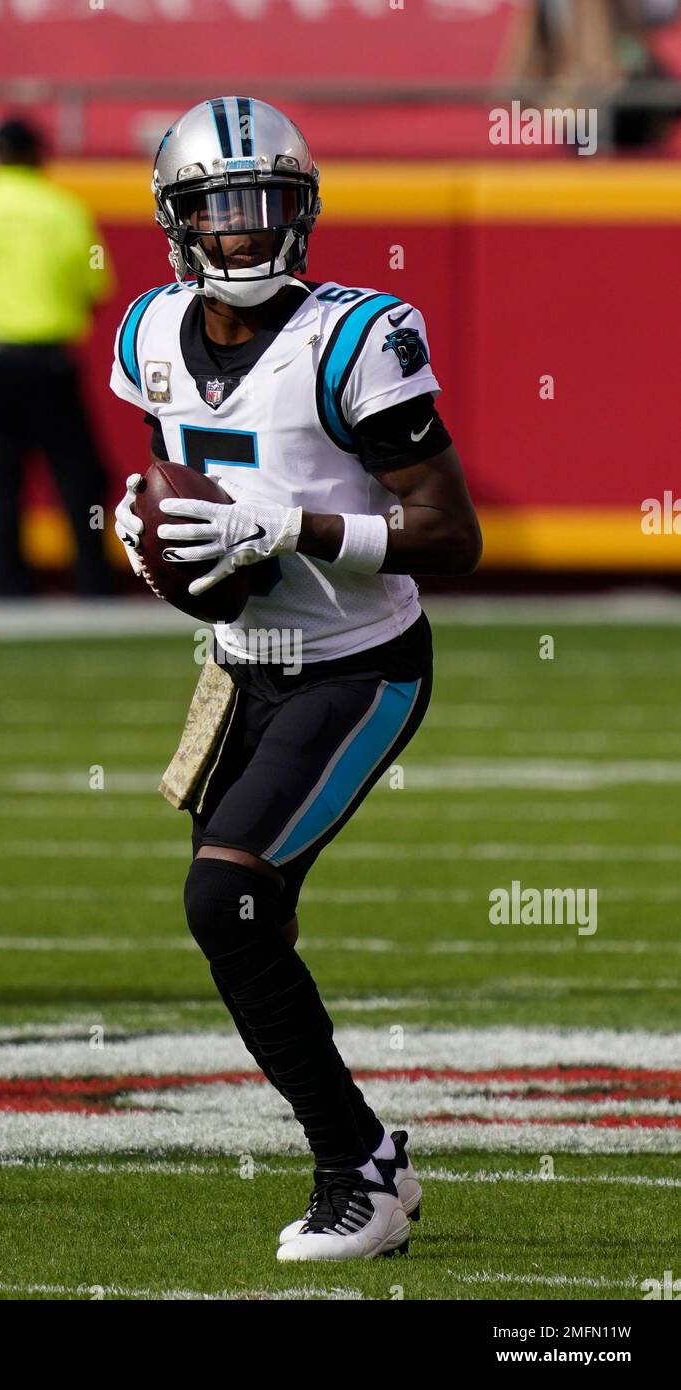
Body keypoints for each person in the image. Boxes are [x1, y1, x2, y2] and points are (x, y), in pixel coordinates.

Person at [111, 97, 482, 1262]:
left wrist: (301, 526)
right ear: (177, 222)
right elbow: (171, 491)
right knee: (241, 923)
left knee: (223, 897)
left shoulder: (356, 334)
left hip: (356, 665)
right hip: (239, 667)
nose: (242, 230)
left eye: (263, 204)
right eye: (218, 209)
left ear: (302, 210)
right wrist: (135, 535)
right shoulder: (148, 331)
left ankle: (353, 1178)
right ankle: (367, 1159)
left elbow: (449, 534)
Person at [0, 116, 115, 596]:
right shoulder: (62, 208)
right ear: (38, 154)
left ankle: (9, 585)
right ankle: (93, 582)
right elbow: (95, 286)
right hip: (47, 359)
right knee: (76, 474)